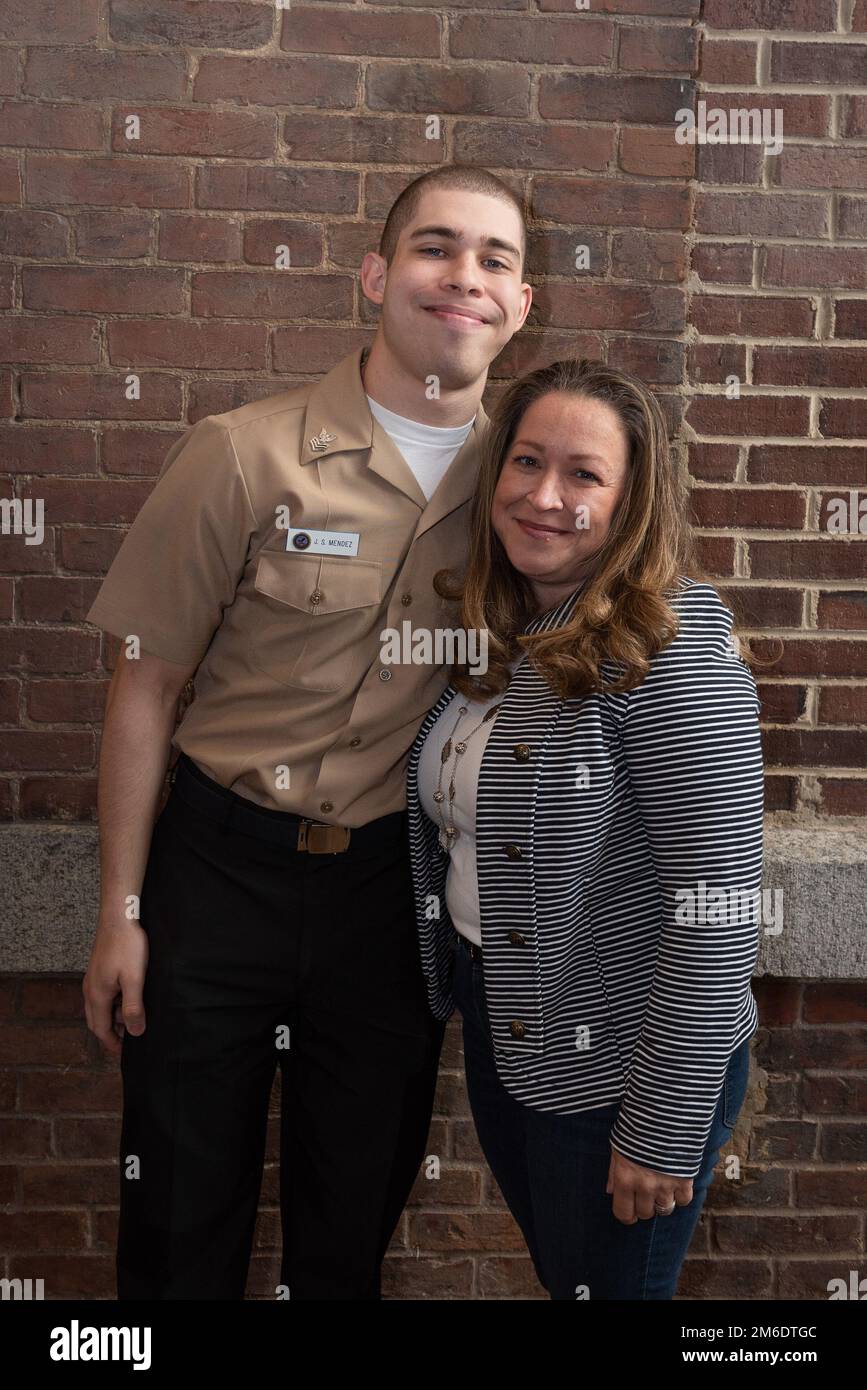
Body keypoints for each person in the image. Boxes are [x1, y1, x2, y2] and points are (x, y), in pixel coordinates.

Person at [81, 163, 532, 1299]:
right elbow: (145, 689)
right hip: (215, 876)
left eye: (496, 259)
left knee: (349, 1230)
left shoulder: (525, 496)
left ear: (522, 307)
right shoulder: (241, 454)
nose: (463, 277)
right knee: (179, 1222)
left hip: (390, 897)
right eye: (436, 247)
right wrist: (121, 913)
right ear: (376, 276)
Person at [406, 358, 765, 1300]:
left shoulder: (671, 643)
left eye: (584, 475)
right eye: (525, 463)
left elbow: (719, 903)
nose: (545, 496)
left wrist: (660, 1124)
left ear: (632, 500)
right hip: (507, 1025)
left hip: (623, 1058)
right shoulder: (507, 624)